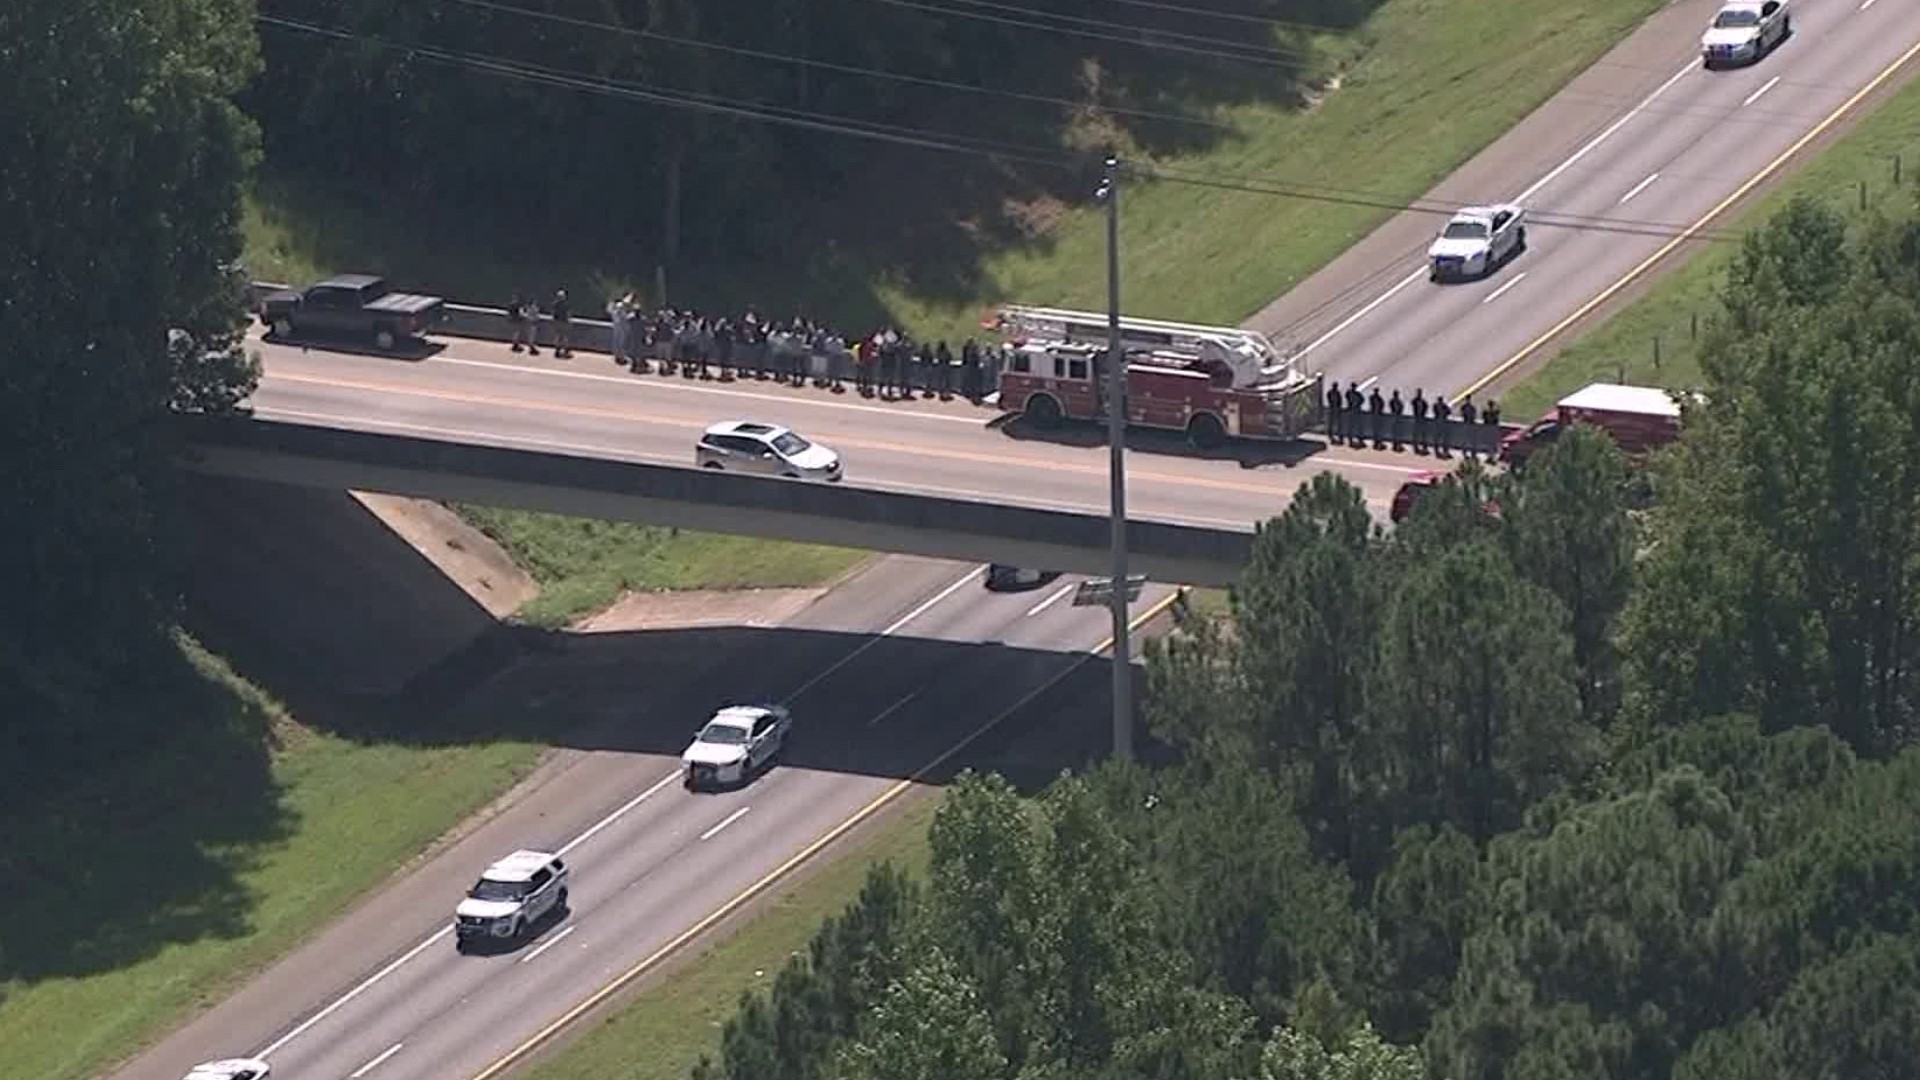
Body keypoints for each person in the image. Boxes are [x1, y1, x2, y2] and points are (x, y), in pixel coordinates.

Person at [550, 288, 572, 358]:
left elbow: (553, 313)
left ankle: (557, 350)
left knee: (558, 336)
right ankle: (565, 350)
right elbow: (567, 314)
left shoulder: (555, 304)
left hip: (557, 321)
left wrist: (554, 321)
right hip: (563, 321)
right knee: (564, 336)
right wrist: (568, 320)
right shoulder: (565, 304)